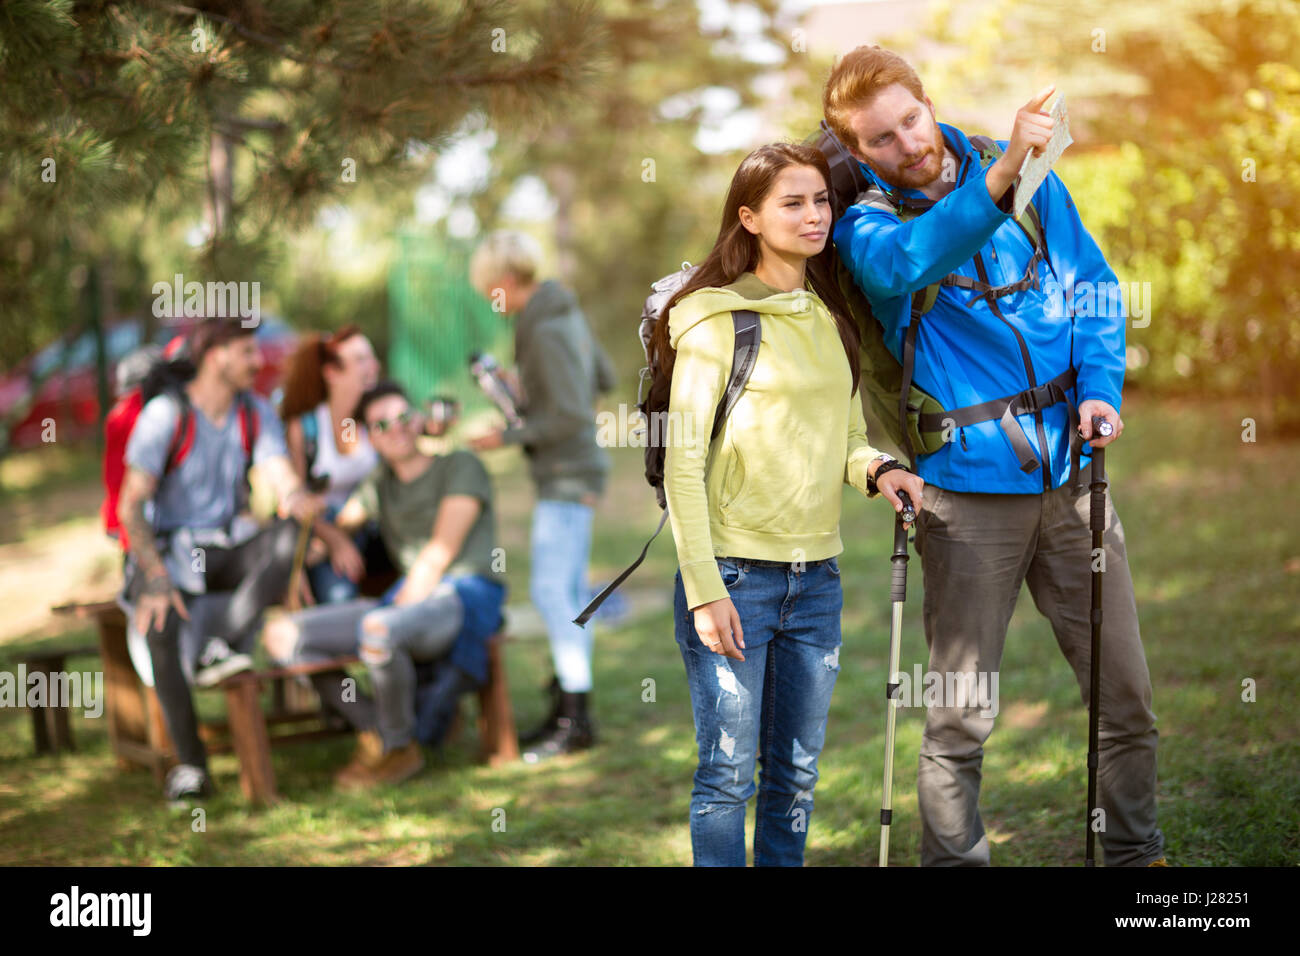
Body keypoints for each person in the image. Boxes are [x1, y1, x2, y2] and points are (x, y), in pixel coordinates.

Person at [824, 44, 1166, 866]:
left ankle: (1135, 862)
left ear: (925, 100)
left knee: (1124, 699)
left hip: (1074, 480)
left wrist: (1099, 387)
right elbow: (911, 261)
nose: (906, 144)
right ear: (856, 152)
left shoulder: (1032, 178)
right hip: (963, 499)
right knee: (958, 717)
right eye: (880, 139)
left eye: (909, 120)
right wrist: (1008, 166)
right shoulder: (865, 223)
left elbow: (1092, 284)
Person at [655, 142, 925, 866]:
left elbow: (848, 438)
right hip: (735, 578)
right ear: (749, 217)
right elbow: (683, 465)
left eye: (821, 200)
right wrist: (706, 592)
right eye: (793, 203)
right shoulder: (713, 321)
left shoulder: (828, 317)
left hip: (816, 583)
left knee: (796, 775)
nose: (815, 215)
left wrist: (879, 471)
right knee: (726, 776)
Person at [262, 381, 507, 789]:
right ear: (369, 438)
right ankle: (379, 731)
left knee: (378, 629)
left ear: (417, 420)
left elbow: (438, 554)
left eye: (402, 417)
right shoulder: (379, 485)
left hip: (462, 595)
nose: (395, 429)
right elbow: (330, 530)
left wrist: (390, 611)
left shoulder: (460, 465)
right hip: (406, 603)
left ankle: (396, 748)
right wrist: (319, 540)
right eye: (381, 424)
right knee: (282, 636)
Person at [117, 317, 319, 803]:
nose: (258, 361)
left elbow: (282, 479)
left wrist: (300, 500)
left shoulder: (254, 412)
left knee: (288, 536)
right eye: (248, 352)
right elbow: (130, 504)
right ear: (216, 356)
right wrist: (156, 576)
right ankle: (191, 766)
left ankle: (221, 646)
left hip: (225, 549)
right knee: (159, 624)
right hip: (171, 553)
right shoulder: (166, 415)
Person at [466, 231, 616, 762]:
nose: (492, 300)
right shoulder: (563, 310)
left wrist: (503, 435)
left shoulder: (541, 327)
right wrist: (530, 391)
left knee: (554, 595)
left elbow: (571, 414)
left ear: (505, 281)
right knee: (568, 593)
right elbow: (603, 375)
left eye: (490, 290)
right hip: (578, 470)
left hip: (568, 476)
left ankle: (575, 719)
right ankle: (566, 709)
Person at [278, 325, 388, 604]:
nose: (373, 366)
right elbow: (296, 500)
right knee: (339, 595)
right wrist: (334, 539)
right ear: (332, 373)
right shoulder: (307, 427)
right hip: (324, 529)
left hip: (374, 523)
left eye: (372, 358)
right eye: (361, 359)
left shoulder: (374, 419)